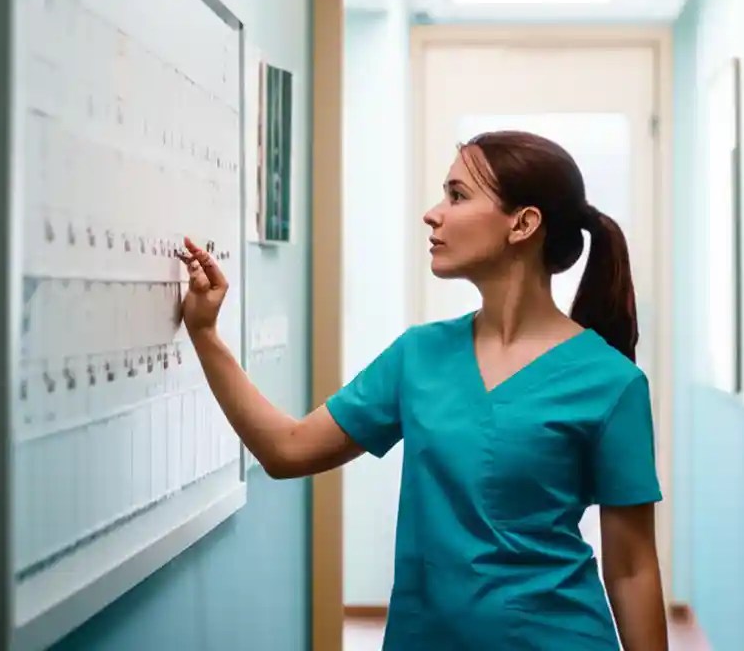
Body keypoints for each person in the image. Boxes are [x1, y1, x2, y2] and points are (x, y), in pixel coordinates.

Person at [177, 130, 668, 650]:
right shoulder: (419, 357)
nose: (433, 214)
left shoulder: (612, 383)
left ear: (523, 224)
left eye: (457, 196)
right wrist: (206, 335)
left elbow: (633, 568)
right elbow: (287, 450)